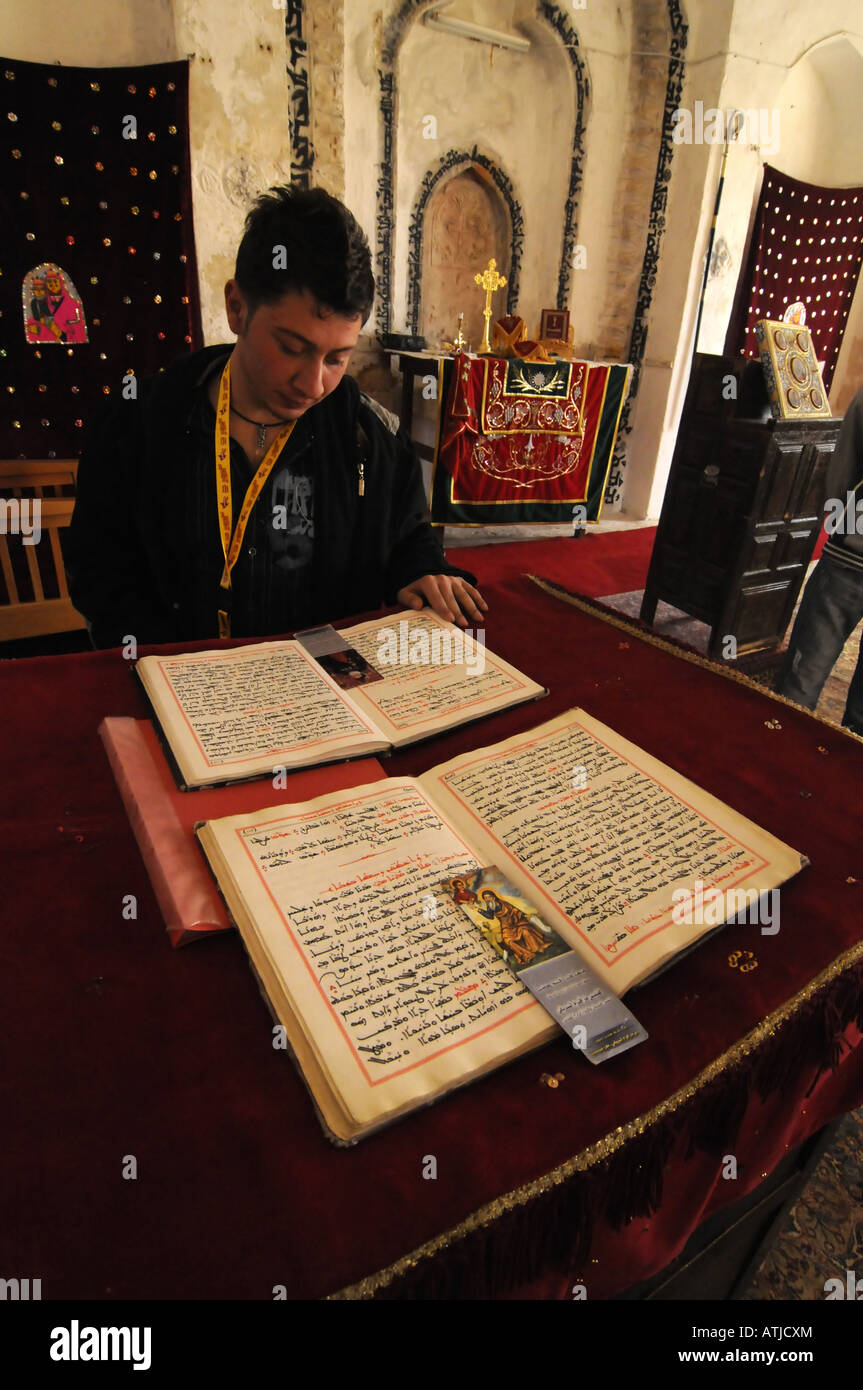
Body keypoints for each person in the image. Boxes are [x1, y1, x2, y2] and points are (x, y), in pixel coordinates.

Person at [66, 186, 486, 649]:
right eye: (292, 348)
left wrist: (421, 570)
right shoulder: (136, 425)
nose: (312, 385)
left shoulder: (370, 436)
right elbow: (100, 575)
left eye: (336, 358)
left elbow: (407, 538)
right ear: (236, 307)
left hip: (323, 692)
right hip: (177, 685)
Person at [776, 385, 863, 735]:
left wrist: (844, 527)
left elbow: (842, 474)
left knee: (800, 680)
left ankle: (768, 764)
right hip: (849, 555)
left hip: (850, 553)